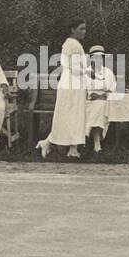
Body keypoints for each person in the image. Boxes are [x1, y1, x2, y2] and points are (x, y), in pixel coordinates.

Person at [37, 18, 88, 160]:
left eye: (85, 29)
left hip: (74, 84)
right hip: (71, 84)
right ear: (73, 29)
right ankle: (62, 146)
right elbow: (74, 67)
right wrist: (89, 72)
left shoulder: (73, 44)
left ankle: (68, 147)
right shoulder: (71, 44)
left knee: (72, 116)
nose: (84, 32)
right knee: (69, 115)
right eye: (81, 28)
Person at [83, 45, 118, 153]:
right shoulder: (86, 72)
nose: (98, 60)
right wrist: (90, 95)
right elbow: (82, 89)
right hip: (89, 101)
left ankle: (88, 135)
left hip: (105, 100)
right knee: (97, 106)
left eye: (100, 57)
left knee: (100, 106)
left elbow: (113, 88)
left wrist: (105, 95)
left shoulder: (108, 72)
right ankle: (96, 142)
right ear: (91, 58)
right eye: (95, 57)